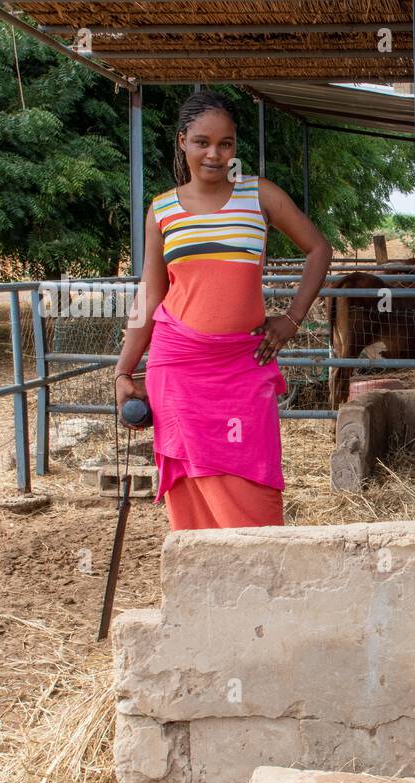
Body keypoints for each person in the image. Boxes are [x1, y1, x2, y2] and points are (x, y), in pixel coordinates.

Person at [113, 91, 332, 530]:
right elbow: (149, 295)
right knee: (190, 494)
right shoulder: (162, 210)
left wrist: (290, 321)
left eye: (226, 144)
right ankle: (203, 591)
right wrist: (123, 371)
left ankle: (259, 590)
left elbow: (318, 250)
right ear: (182, 142)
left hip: (244, 364)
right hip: (178, 367)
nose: (214, 154)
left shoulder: (259, 196)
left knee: (256, 494)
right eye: (202, 142)